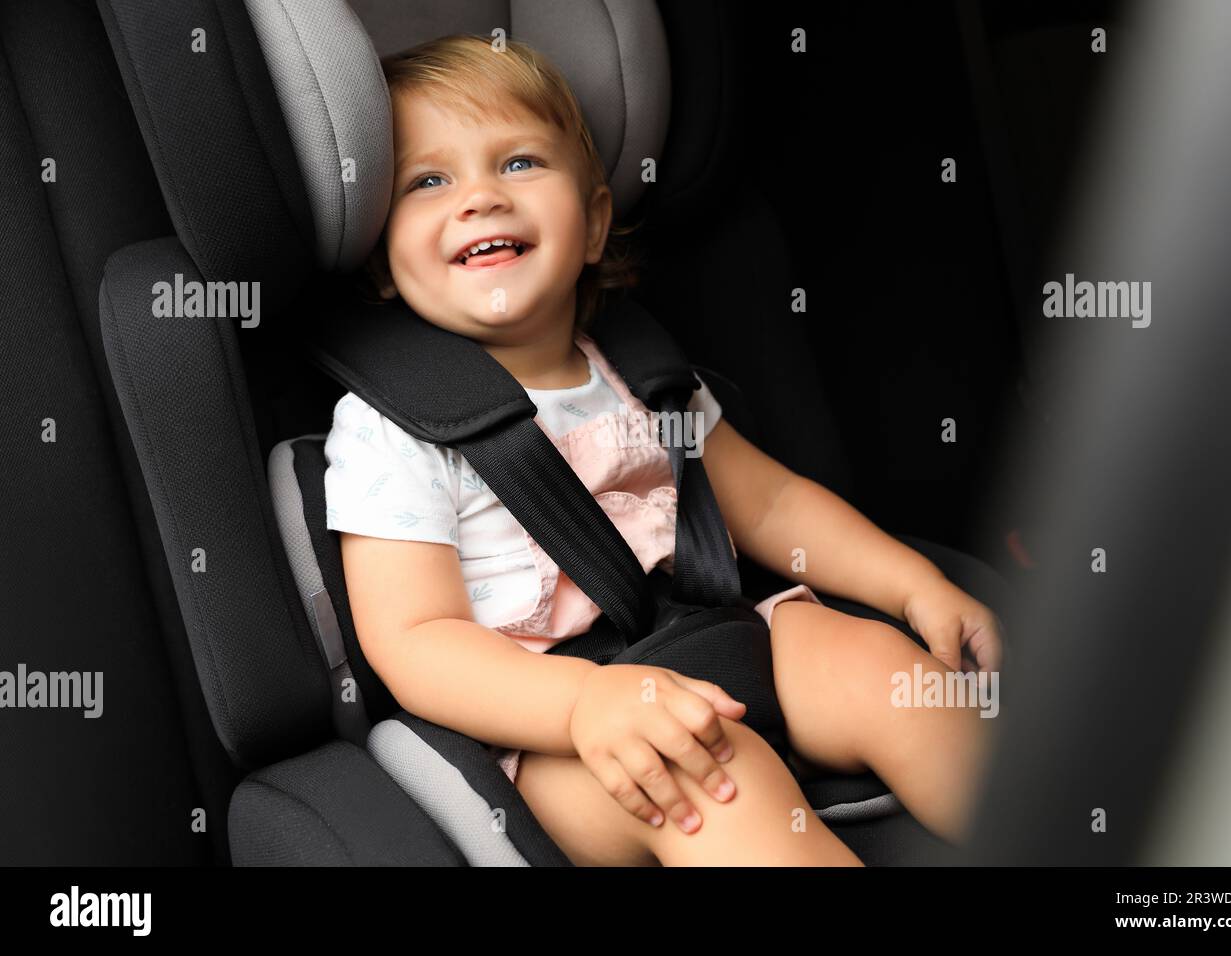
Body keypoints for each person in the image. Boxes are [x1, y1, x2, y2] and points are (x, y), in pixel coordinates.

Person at [325, 34, 1004, 866]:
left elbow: (774, 506)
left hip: (710, 636)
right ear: (384, 258)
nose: (478, 199)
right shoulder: (394, 427)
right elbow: (416, 639)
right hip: (558, 728)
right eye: (428, 182)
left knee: (888, 673)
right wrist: (583, 703)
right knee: (717, 780)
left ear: (594, 222)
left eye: (519, 163)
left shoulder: (637, 371)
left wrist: (913, 586)